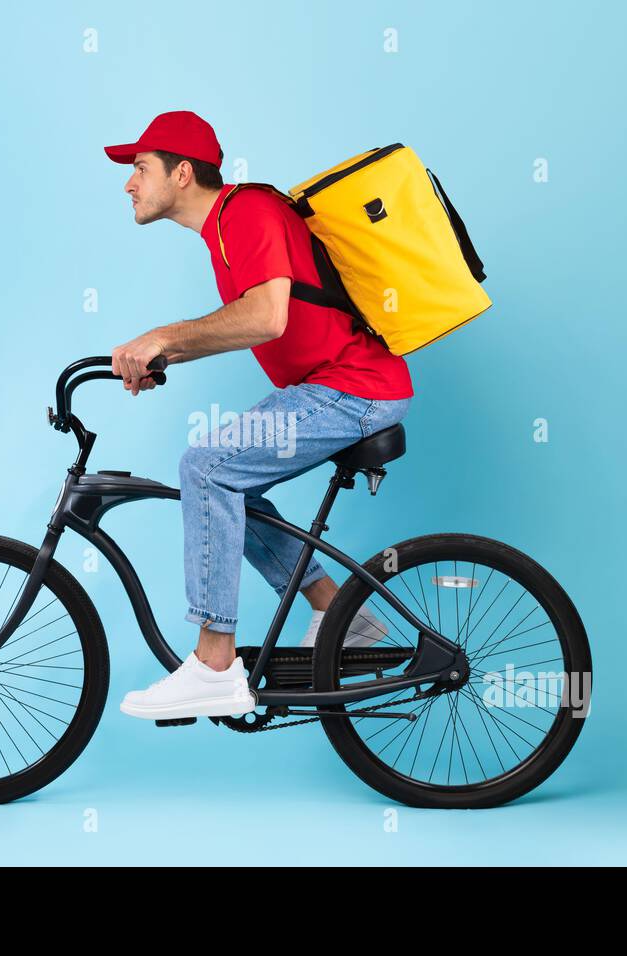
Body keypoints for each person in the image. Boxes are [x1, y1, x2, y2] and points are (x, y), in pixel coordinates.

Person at [104, 111, 413, 720]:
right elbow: (255, 319)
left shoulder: (246, 211)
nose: (129, 184)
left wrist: (161, 336)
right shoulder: (221, 232)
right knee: (230, 484)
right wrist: (162, 352)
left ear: (182, 171)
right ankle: (339, 610)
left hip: (353, 390)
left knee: (207, 467)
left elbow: (266, 316)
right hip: (331, 388)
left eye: (140, 168)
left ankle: (215, 663)